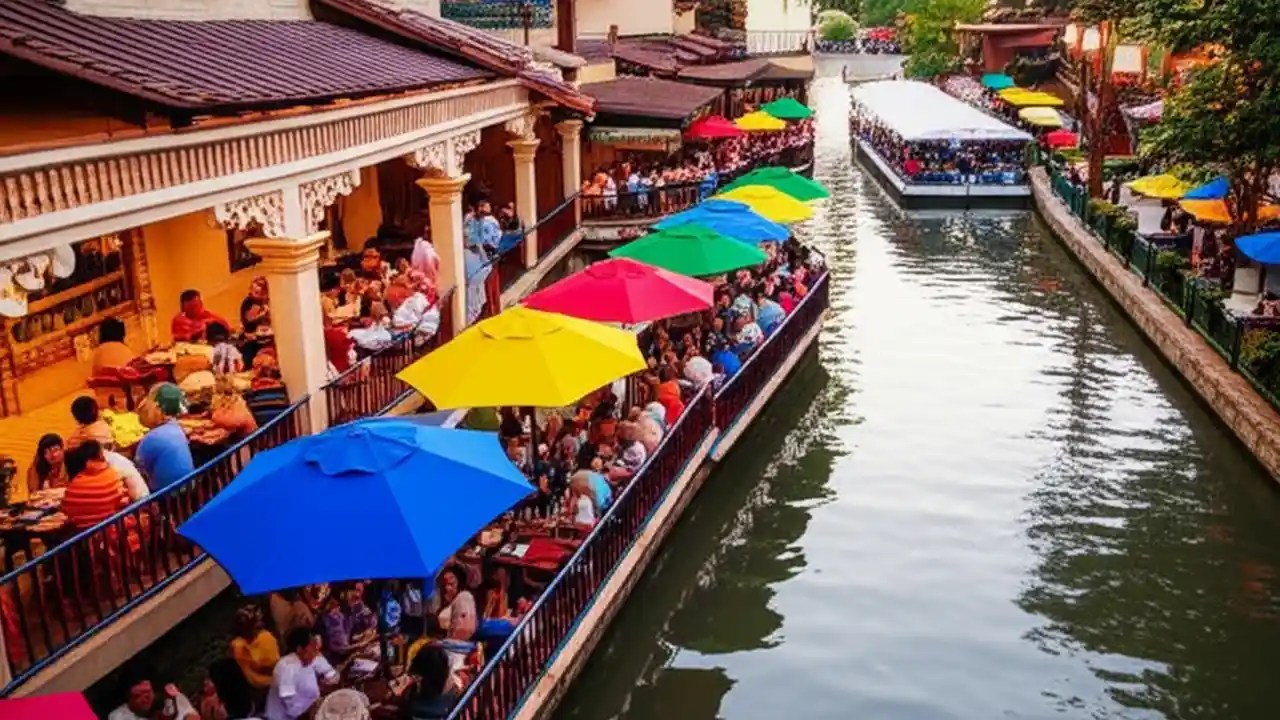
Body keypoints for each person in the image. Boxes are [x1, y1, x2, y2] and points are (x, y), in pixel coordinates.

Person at [264, 628, 338, 720]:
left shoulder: (313, 658)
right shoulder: (286, 668)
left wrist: (328, 682)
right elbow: (292, 709)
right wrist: (316, 705)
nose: (316, 649)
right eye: (312, 645)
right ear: (300, 649)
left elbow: (333, 676)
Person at [135, 384, 195, 491]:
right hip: (189, 488)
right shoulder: (177, 428)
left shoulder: (152, 437)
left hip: (167, 496)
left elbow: (139, 467)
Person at [61, 440, 129, 530]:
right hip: (112, 534)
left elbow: (68, 511)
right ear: (100, 456)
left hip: (84, 537)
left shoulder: (73, 486)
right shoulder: (112, 476)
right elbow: (123, 501)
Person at [230, 604, 281, 694]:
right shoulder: (238, 645)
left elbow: (275, 664)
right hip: (260, 688)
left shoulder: (266, 637)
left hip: (275, 679)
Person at [109, 671, 199, 720]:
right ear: (128, 698)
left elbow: (193, 716)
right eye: (138, 696)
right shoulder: (118, 717)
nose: (145, 699)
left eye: (148, 693)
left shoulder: (173, 699)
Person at [430, 566, 477, 640]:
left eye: (451, 584)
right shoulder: (443, 603)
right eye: (445, 584)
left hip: (456, 645)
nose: (447, 588)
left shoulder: (464, 597)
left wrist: (452, 643)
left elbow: (466, 628)